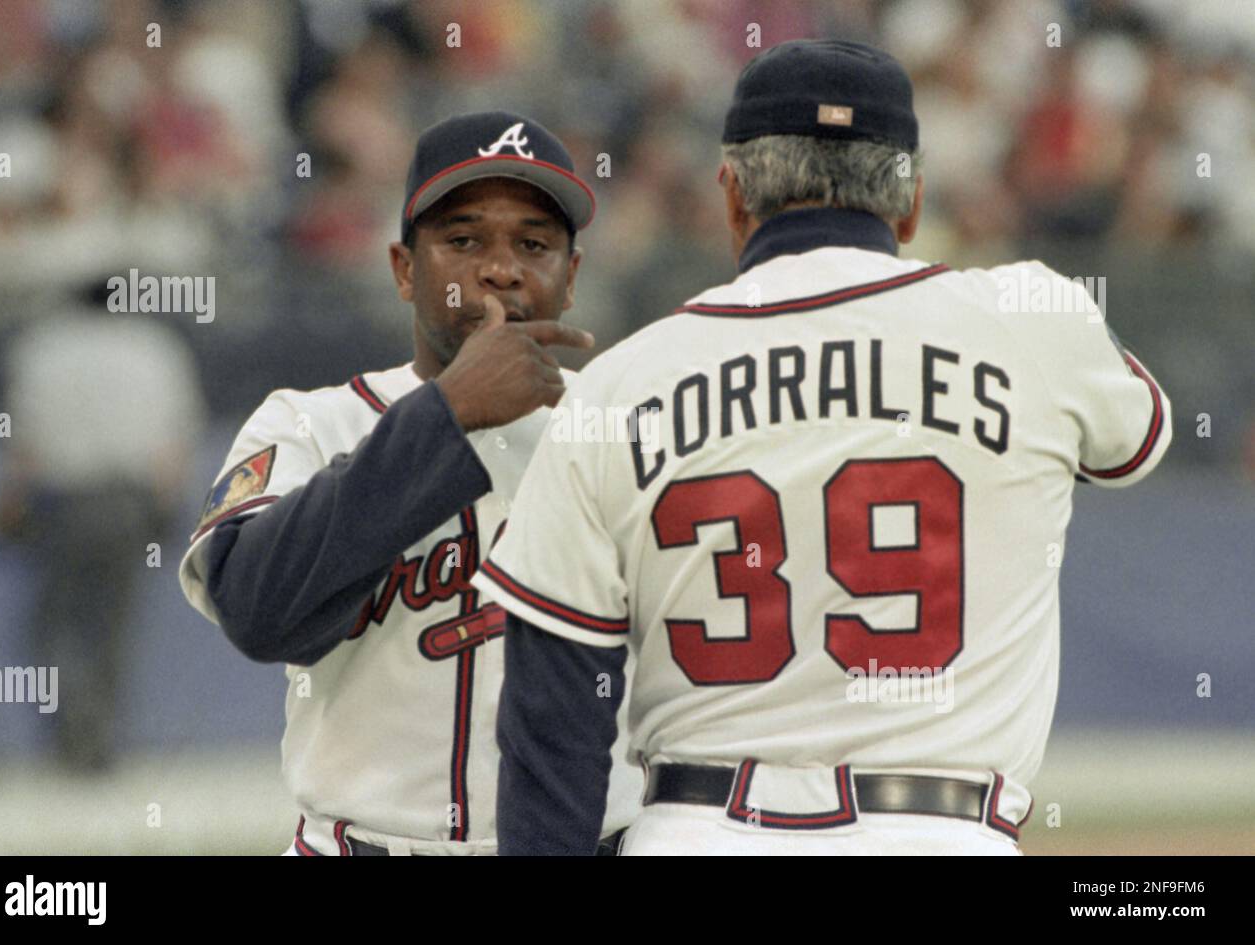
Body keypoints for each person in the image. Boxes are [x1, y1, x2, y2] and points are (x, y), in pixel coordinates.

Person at [471, 41, 1173, 855]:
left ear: (731, 195)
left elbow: (552, 726)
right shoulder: (1037, 314)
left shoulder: (617, 385)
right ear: (910, 201)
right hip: (942, 831)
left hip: (699, 827)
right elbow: (1134, 442)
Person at [178, 112, 640, 855]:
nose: (499, 268)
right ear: (402, 269)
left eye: (534, 243)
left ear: (572, 275)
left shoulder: (629, 429)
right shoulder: (308, 424)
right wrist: (447, 414)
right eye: (462, 240)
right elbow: (256, 608)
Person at [0, 304, 206, 771]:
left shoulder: (43, 347)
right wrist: (169, 509)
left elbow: (22, 439)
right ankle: (97, 741)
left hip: (62, 504)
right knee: (112, 629)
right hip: (130, 505)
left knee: (55, 629)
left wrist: (9, 501)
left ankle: (73, 737)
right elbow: (174, 438)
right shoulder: (152, 347)